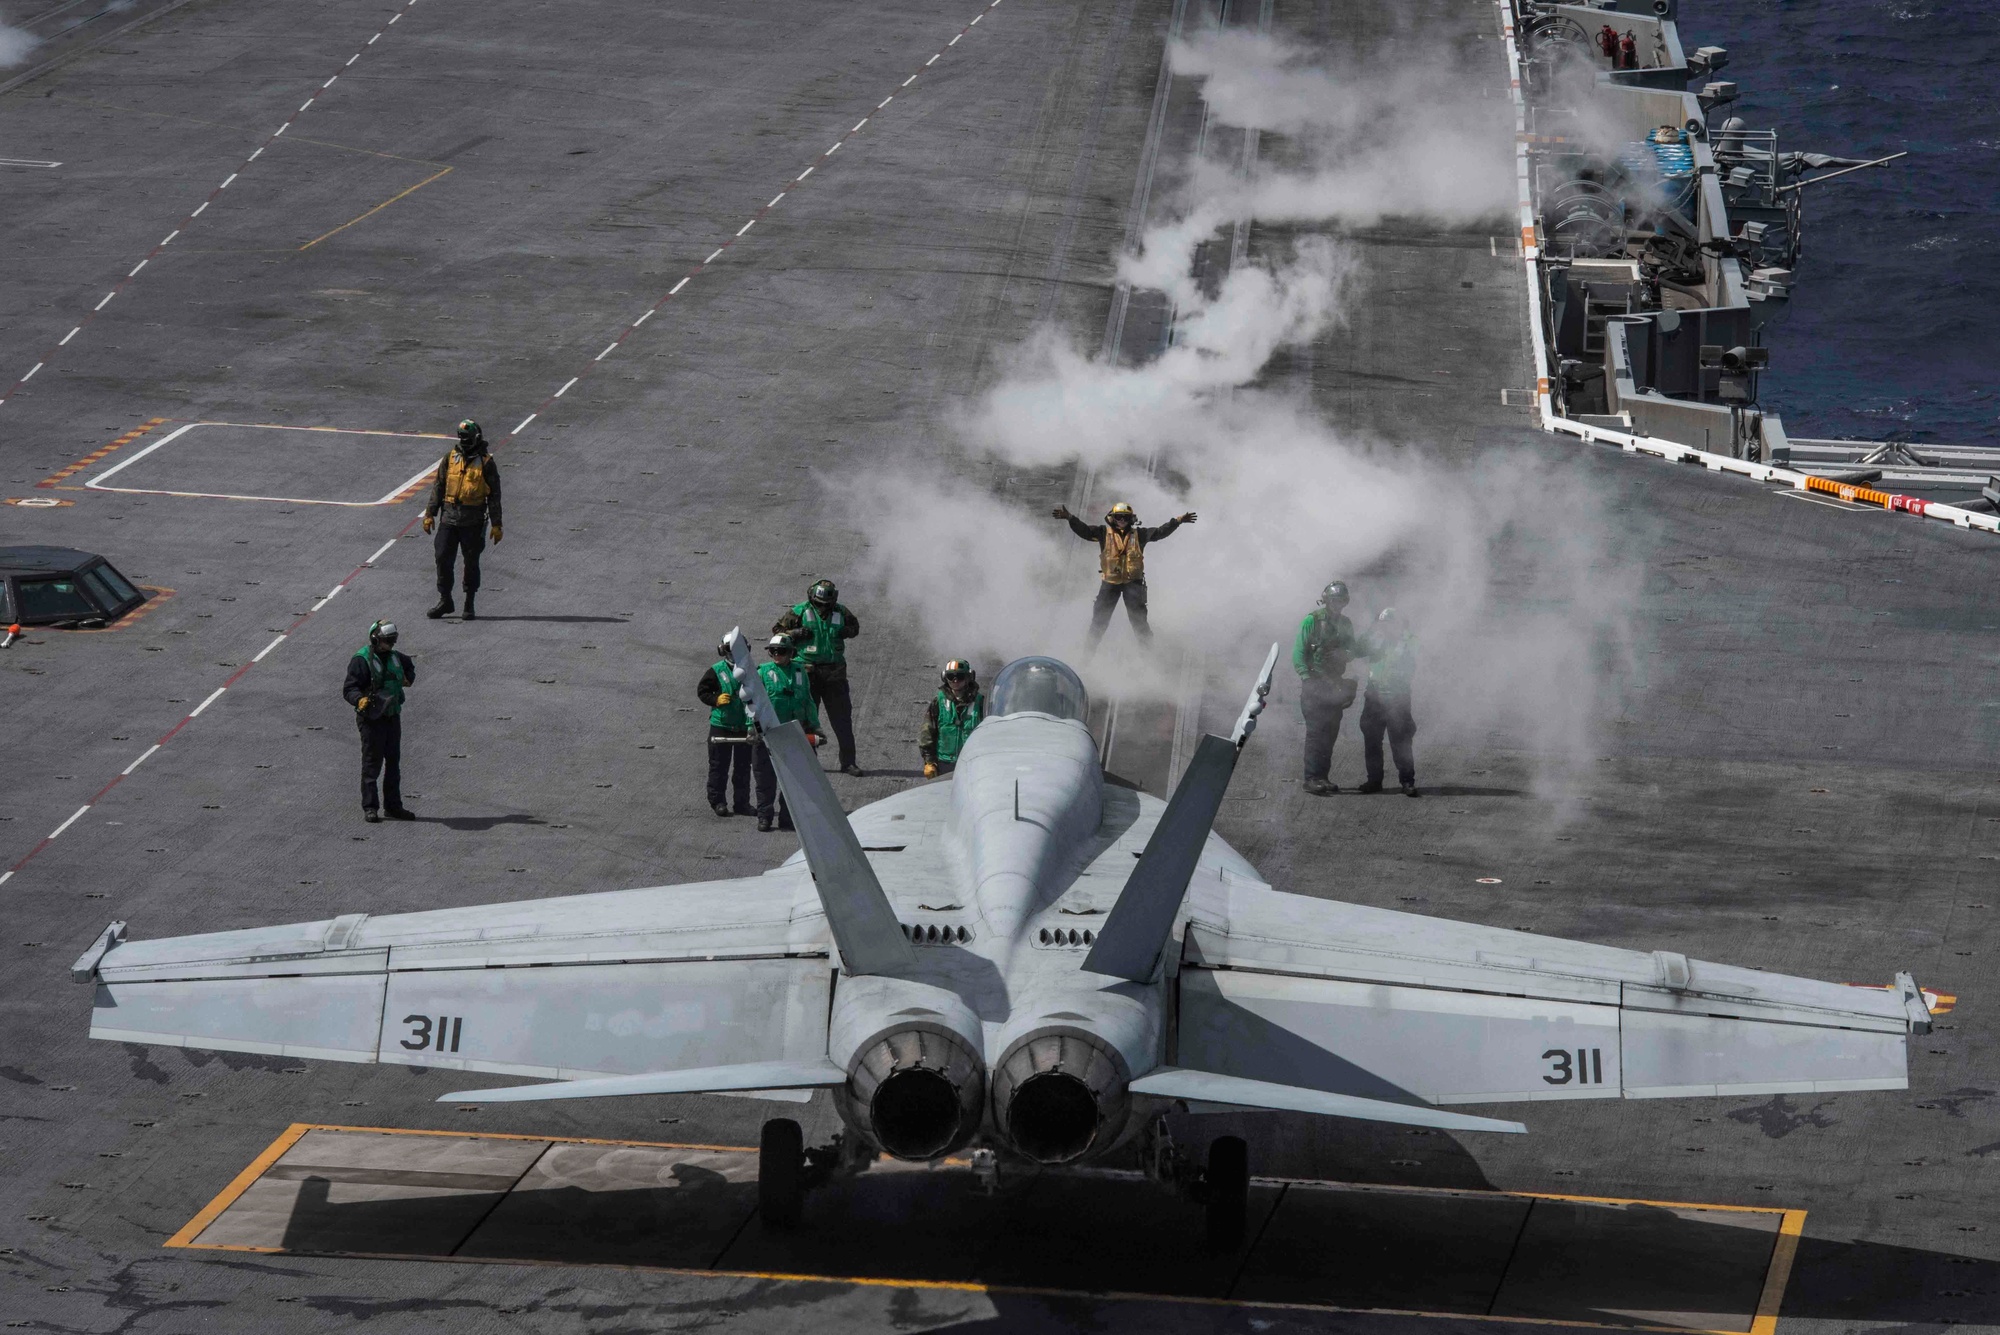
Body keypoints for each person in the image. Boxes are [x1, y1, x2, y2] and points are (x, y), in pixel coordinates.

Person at [1051, 501, 1197, 647]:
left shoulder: (1139, 534)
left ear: (1131, 519)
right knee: (1098, 623)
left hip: (1133, 584)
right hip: (1110, 584)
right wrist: (1070, 518)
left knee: (1140, 624)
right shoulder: (1103, 533)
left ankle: (1149, 655)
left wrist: (1177, 521)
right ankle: (1087, 655)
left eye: (1125, 517)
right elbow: (1085, 531)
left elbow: (1159, 532)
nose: (1122, 520)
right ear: (1112, 518)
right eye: (1119, 516)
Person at [773, 579, 863, 775]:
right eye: (819, 604)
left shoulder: (841, 611)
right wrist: (794, 633)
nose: (823, 608)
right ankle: (808, 762)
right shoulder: (799, 611)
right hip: (807, 673)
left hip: (834, 673)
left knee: (842, 720)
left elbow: (855, 627)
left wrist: (846, 631)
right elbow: (777, 632)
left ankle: (848, 763)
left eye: (826, 605)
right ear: (812, 598)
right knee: (805, 719)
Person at [1291, 580, 1373, 796]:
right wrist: (1307, 679)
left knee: (1330, 733)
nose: (1338, 604)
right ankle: (1311, 778)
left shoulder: (1346, 623)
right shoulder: (1312, 620)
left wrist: (1344, 655)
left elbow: (1351, 649)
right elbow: (1298, 653)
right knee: (1316, 733)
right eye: (1334, 600)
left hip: (1335, 684)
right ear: (1326, 600)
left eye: (1341, 600)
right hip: (1315, 683)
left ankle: (1323, 777)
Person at [422, 419, 503, 621]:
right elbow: (439, 486)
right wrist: (430, 513)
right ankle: (445, 599)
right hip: (449, 518)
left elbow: (494, 495)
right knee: (442, 557)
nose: (463, 441)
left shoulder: (486, 463)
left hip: (473, 521)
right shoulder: (450, 458)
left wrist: (497, 523)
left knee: (471, 562)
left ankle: (469, 602)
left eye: (467, 438)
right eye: (461, 437)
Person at [340, 619, 416, 822]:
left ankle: (393, 806)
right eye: (387, 641)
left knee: (393, 763)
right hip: (371, 719)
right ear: (375, 639)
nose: (390, 645)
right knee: (372, 764)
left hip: (392, 716)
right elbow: (349, 688)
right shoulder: (362, 660)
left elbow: (409, 667)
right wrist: (359, 699)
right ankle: (370, 807)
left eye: (393, 640)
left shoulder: (395, 657)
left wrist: (408, 678)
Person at [753, 633, 821, 833]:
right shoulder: (763, 672)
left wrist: (816, 726)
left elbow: (808, 701)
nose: (776, 655)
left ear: (791, 653)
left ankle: (787, 818)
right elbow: (752, 702)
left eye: (781, 651)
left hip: (793, 732)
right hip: (768, 732)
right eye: (772, 651)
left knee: (793, 779)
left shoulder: (800, 671)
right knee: (765, 779)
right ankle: (764, 817)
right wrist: (751, 727)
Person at [1357, 607, 1419, 797]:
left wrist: (1402, 631)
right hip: (1374, 696)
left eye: (1390, 624)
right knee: (1372, 741)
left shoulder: (1407, 641)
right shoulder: (1375, 639)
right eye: (1383, 624)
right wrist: (1371, 630)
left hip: (1397, 698)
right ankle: (1374, 780)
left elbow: (1414, 655)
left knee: (1401, 741)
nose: (1386, 628)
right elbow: (1358, 650)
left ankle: (1407, 781)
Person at [695, 640, 755, 818]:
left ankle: (742, 803)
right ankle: (718, 802)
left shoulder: (751, 670)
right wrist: (716, 699)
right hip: (721, 725)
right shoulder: (716, 670)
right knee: (718, 767)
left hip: (744, 725)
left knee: (743, 768)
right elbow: (702, 691)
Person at [919, 660, 985, 778]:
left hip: (972, 763)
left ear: (969, 677)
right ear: (945, 677)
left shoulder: (980, 702)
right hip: (945, 763)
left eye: (959, 676)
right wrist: (929, 762)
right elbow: (927, 731)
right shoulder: (939, 701)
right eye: (951, 676)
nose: (955, 680)